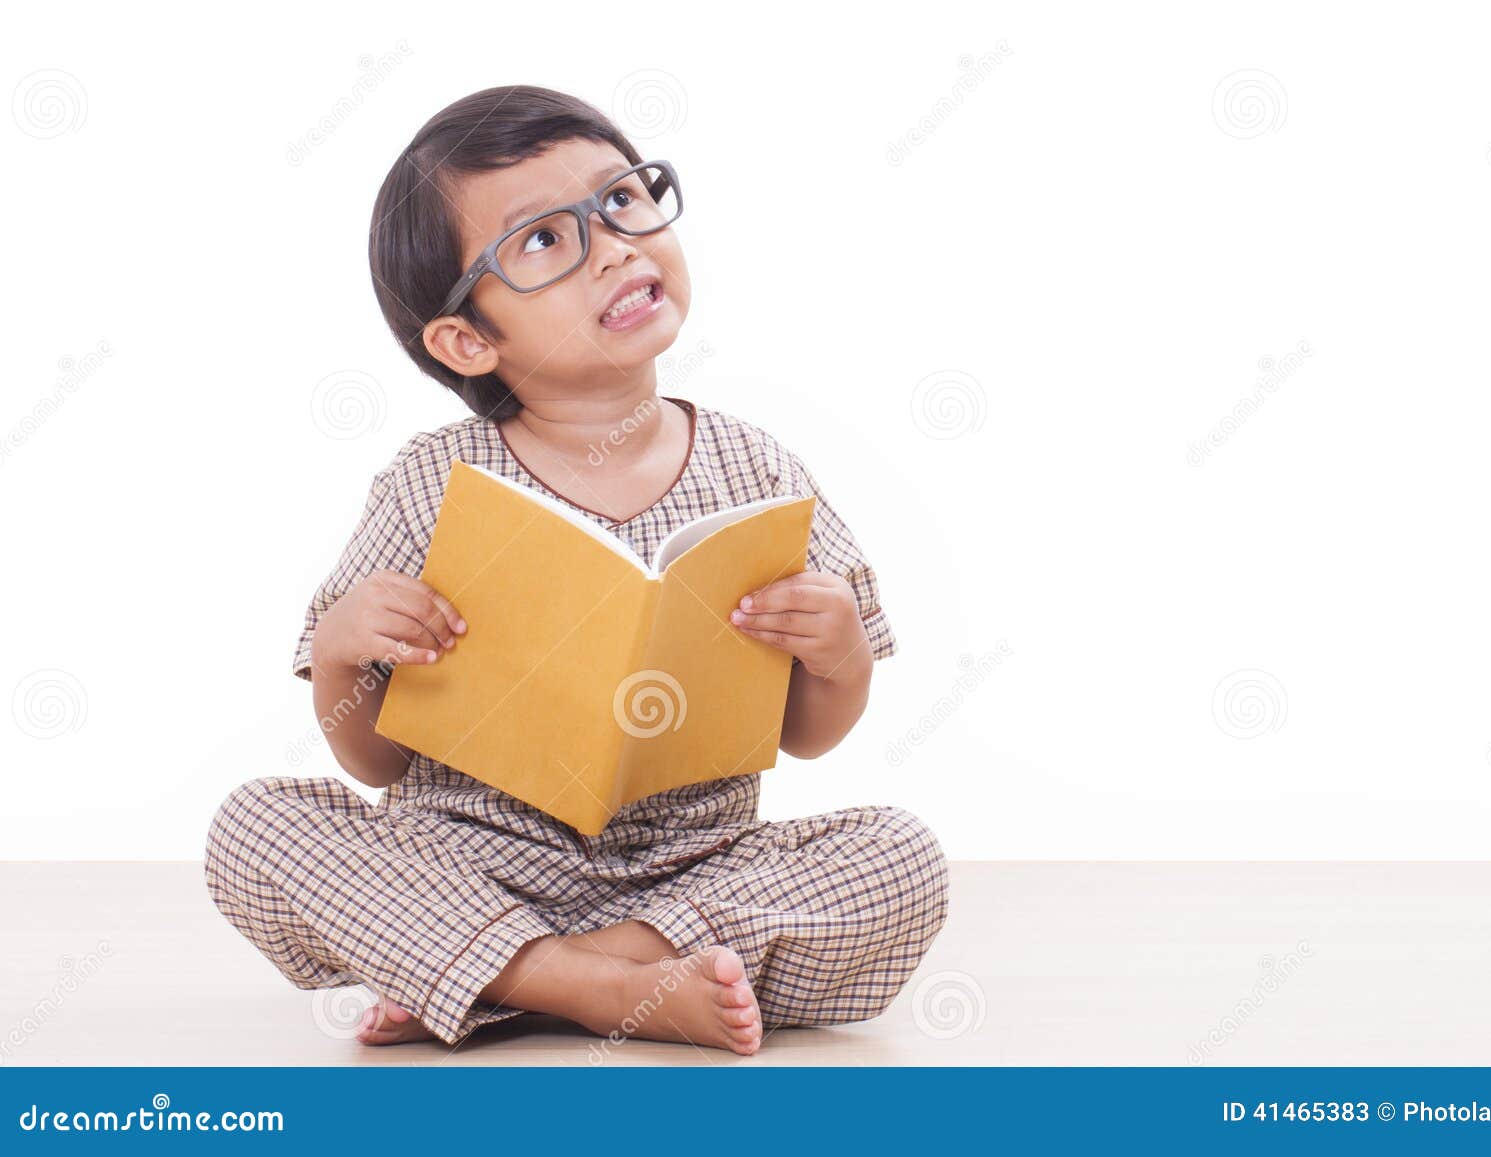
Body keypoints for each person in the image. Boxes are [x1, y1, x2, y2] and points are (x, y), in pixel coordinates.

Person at [203, 85, 949, 1055]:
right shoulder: (433, 482)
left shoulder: (757, 467)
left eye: (621, 199)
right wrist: (345, 650)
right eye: (546, 240)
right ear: (469, 340)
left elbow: (808, 735)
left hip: (692, 874)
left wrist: (839, 653)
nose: (613, 247)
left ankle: (516, 980)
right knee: (256, 827)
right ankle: (603, 986)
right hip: (467, 869)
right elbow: (373, 763)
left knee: (899, 860)